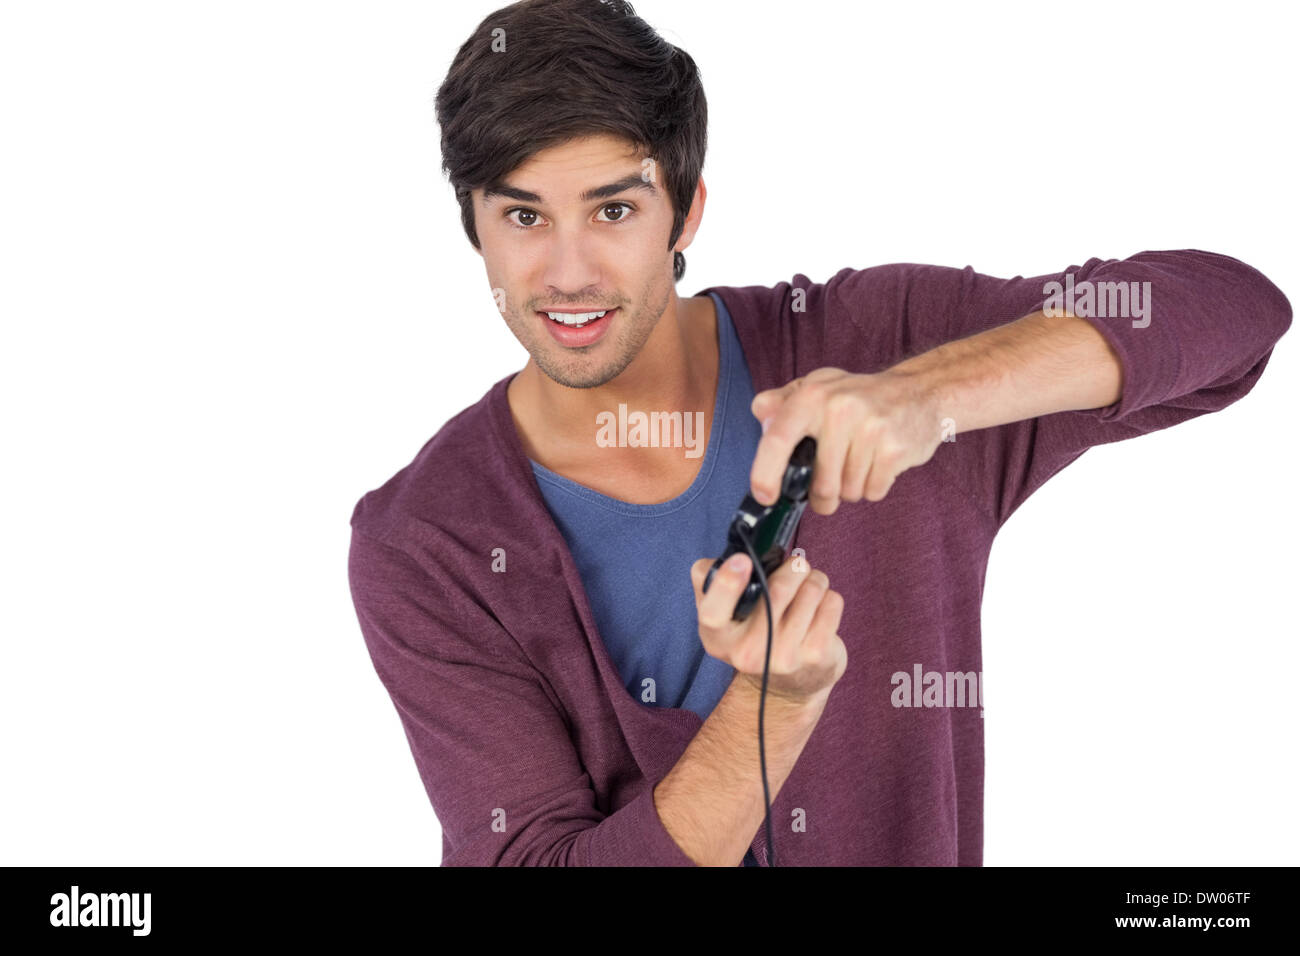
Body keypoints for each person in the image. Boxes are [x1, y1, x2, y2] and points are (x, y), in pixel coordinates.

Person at [346, 0, 1292, 866]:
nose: (566, 273)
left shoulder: (870, 346)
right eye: (523, 215)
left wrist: (929, 392)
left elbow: (1235, 310)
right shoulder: (426, 541)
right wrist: (775, 703)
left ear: (687, 210)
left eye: (615, 209)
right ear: (473, 226)